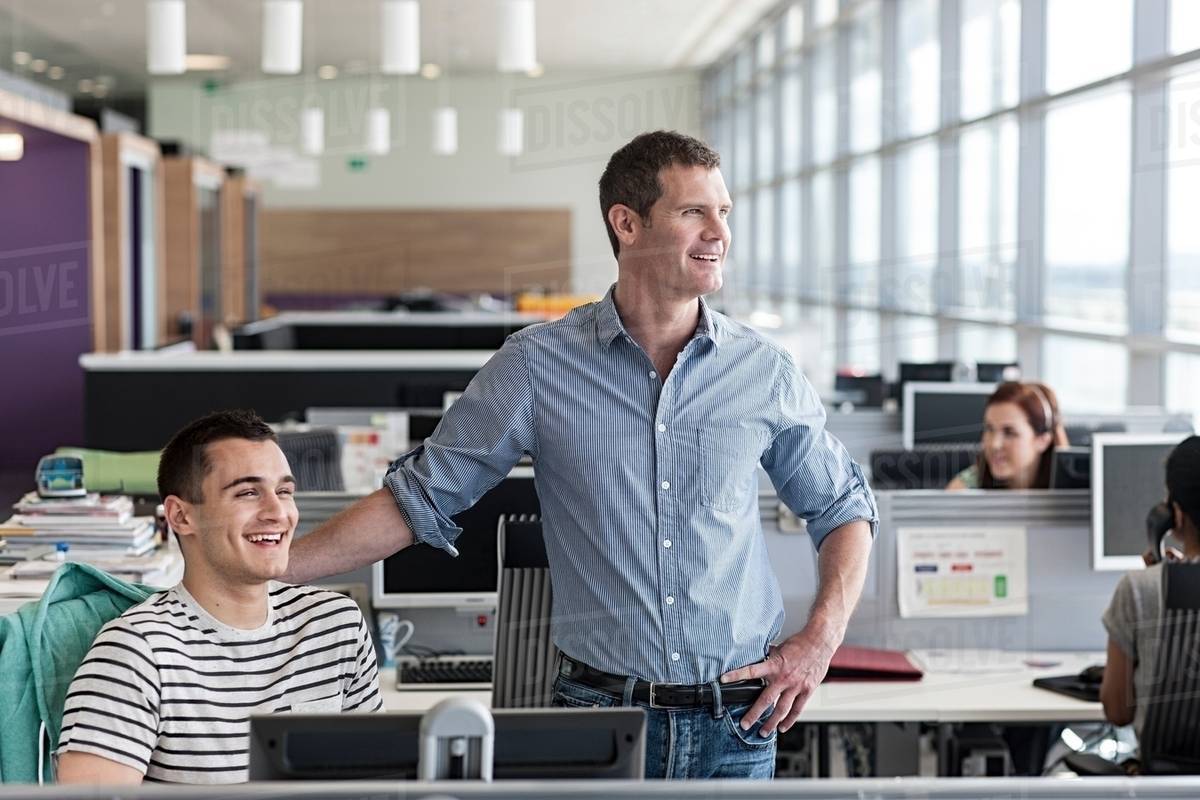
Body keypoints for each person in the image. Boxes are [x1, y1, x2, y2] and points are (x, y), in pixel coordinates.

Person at [283, 130, 877, 780]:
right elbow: (419, 499)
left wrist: (819, 640)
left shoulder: (761, 369)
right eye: (693, 212)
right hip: (599, 723)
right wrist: (274, 570)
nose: (718, 233)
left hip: (735, 725)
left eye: (723, 213)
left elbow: (843, 506)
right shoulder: (538, 365)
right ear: (627, 223)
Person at [56, 410, 383, 785]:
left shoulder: (335, 624)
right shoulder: (137, 651)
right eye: (247, 493)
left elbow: (374, 784)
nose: (278, 512)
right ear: (180, 517)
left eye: (284, 491)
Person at [1100, 435, 1200, 740]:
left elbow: (1118, 712)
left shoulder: (1140, 590)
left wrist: (1158, 580)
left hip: (1161, 784)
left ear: (1176, 514)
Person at [946, 381, 1069, 491]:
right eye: (990, 429)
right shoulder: (964, 489)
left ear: (1043, 440)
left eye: (1010, 433)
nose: (995, 444)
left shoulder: (1072, 492)